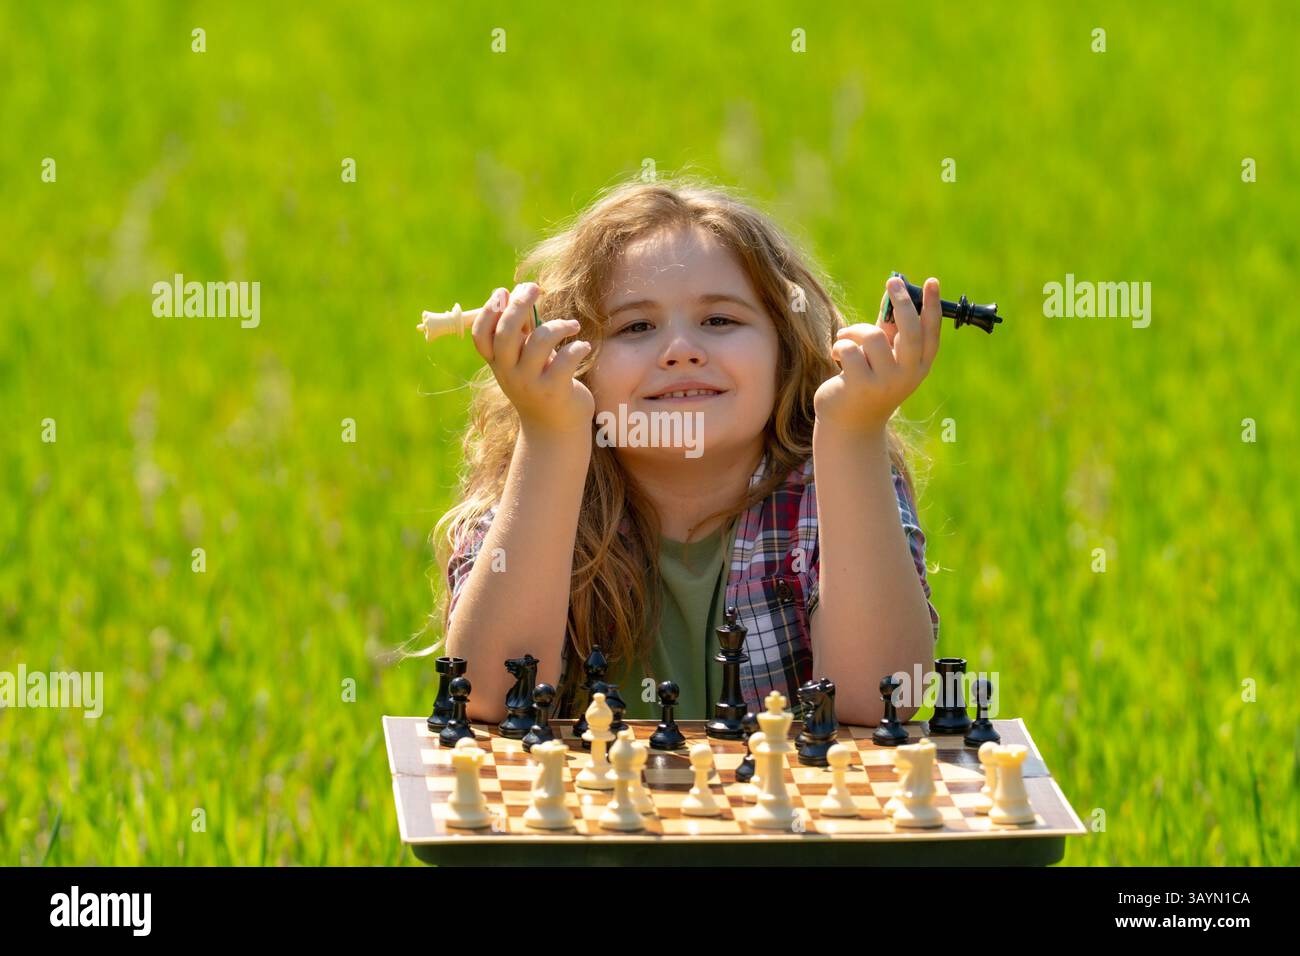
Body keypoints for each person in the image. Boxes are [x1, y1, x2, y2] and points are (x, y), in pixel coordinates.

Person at [430, 176, 941, 725]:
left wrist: (854, 435)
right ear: (574, 360)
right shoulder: (536, 477)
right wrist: (551, 438)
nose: (680, 351)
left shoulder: (836, 480)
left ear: (785, 349)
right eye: (636, 326)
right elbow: (487, 692)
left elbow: (881, 698)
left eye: (719, 320)